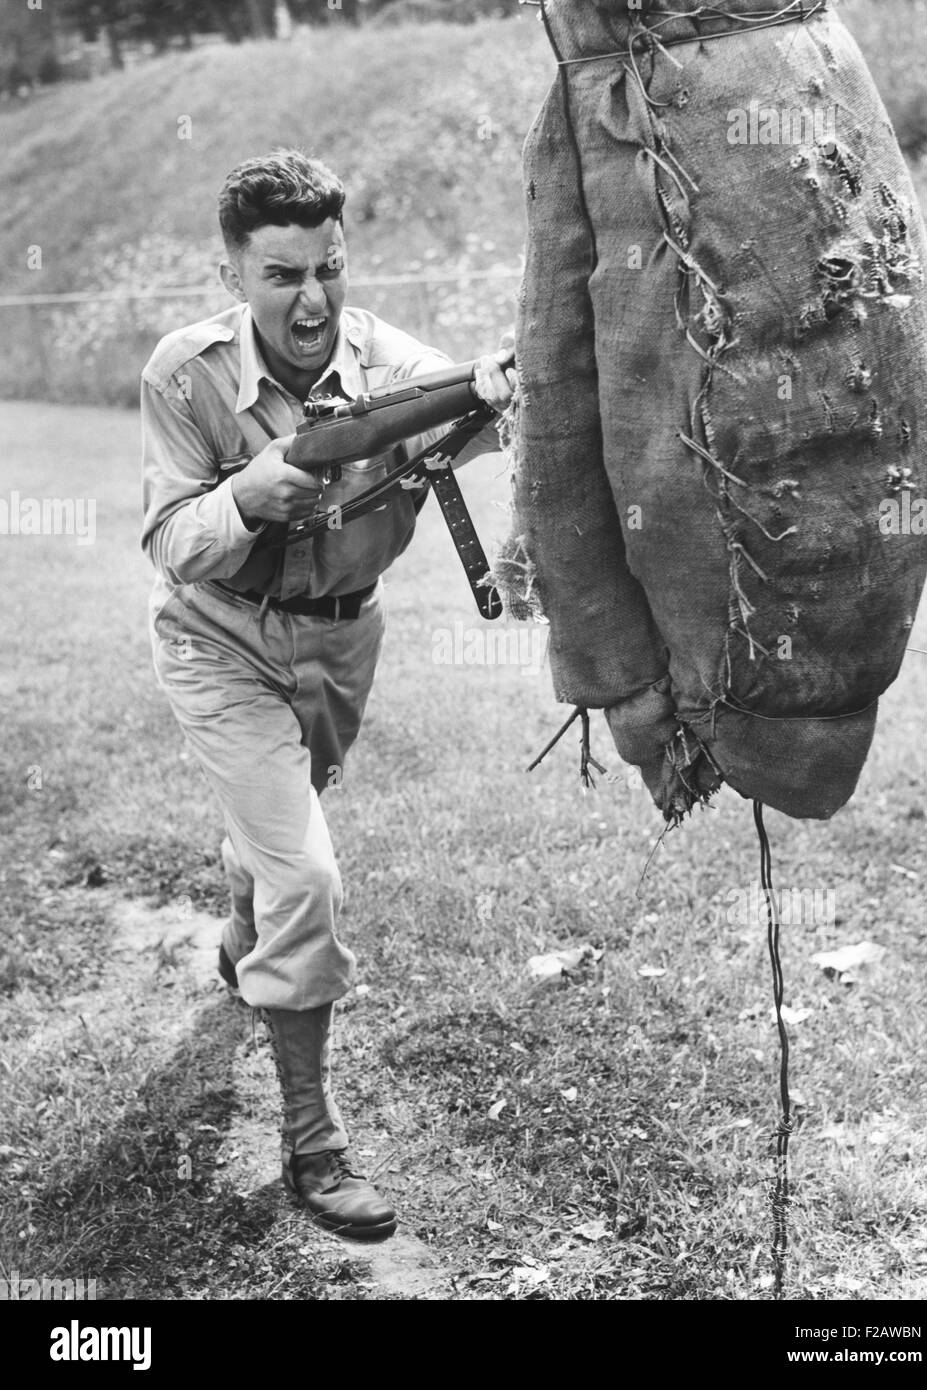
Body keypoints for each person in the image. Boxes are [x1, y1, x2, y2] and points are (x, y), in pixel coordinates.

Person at [140, 149, 515, 1240]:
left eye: (330, 270)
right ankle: (315, 1146)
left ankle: (239, 936)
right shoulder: (185, 374)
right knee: (307, 872)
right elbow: (169, 544)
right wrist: (251, 494)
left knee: (279, 845)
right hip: (220, 644)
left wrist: (505, 390)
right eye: (282, 276)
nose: (312, 301)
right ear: (234, 277)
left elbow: (478, 404)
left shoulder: (390, 361)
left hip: (346, 643)